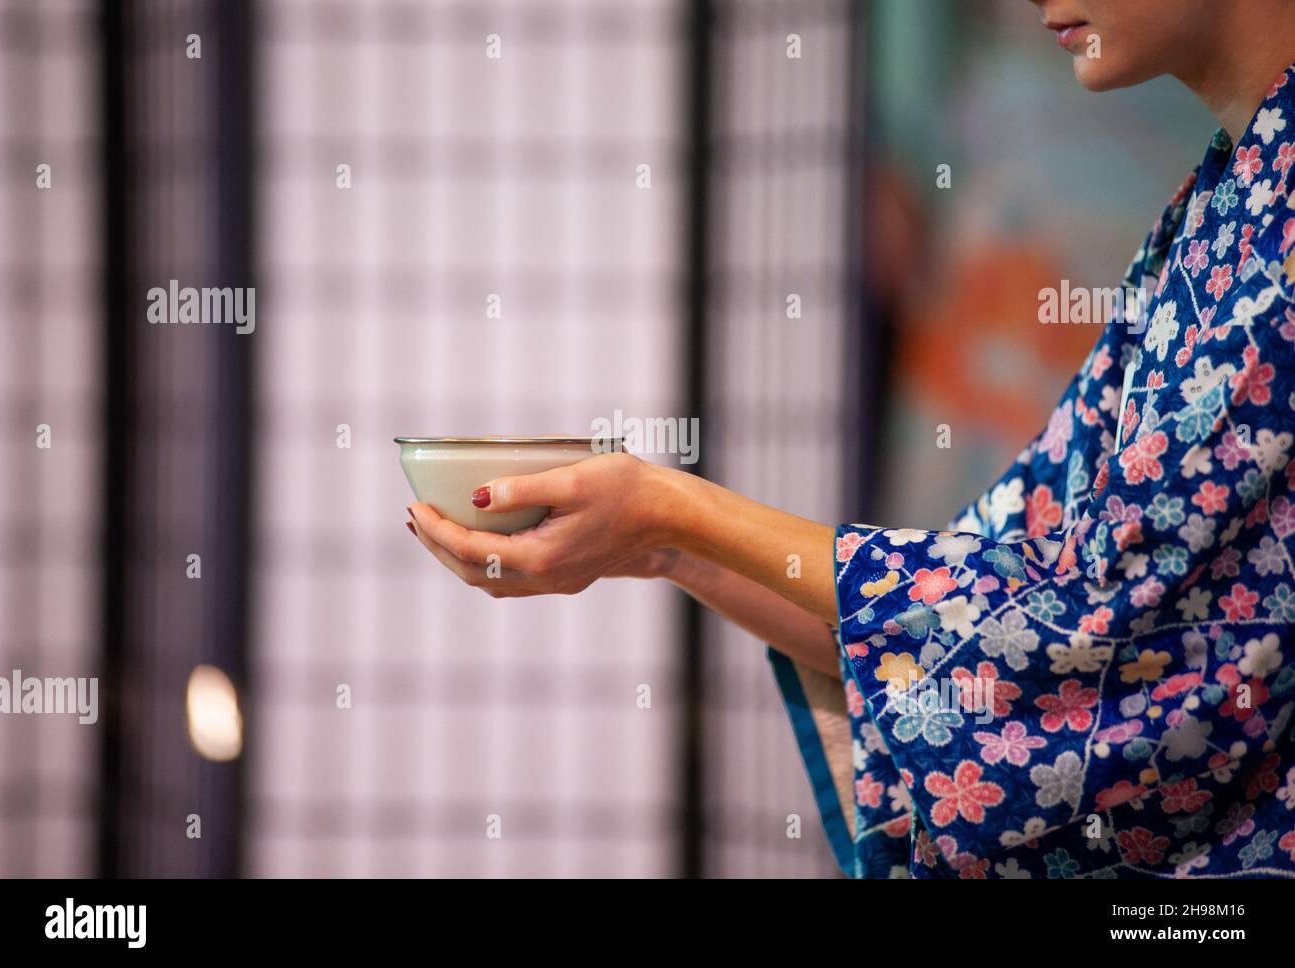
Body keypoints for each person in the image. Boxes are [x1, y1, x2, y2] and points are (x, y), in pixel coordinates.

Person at [407, 0, 1295, 878]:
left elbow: (1093, 640)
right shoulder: (1217, 207)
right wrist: (662, 540)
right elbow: (986, 587)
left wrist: (670, 508)